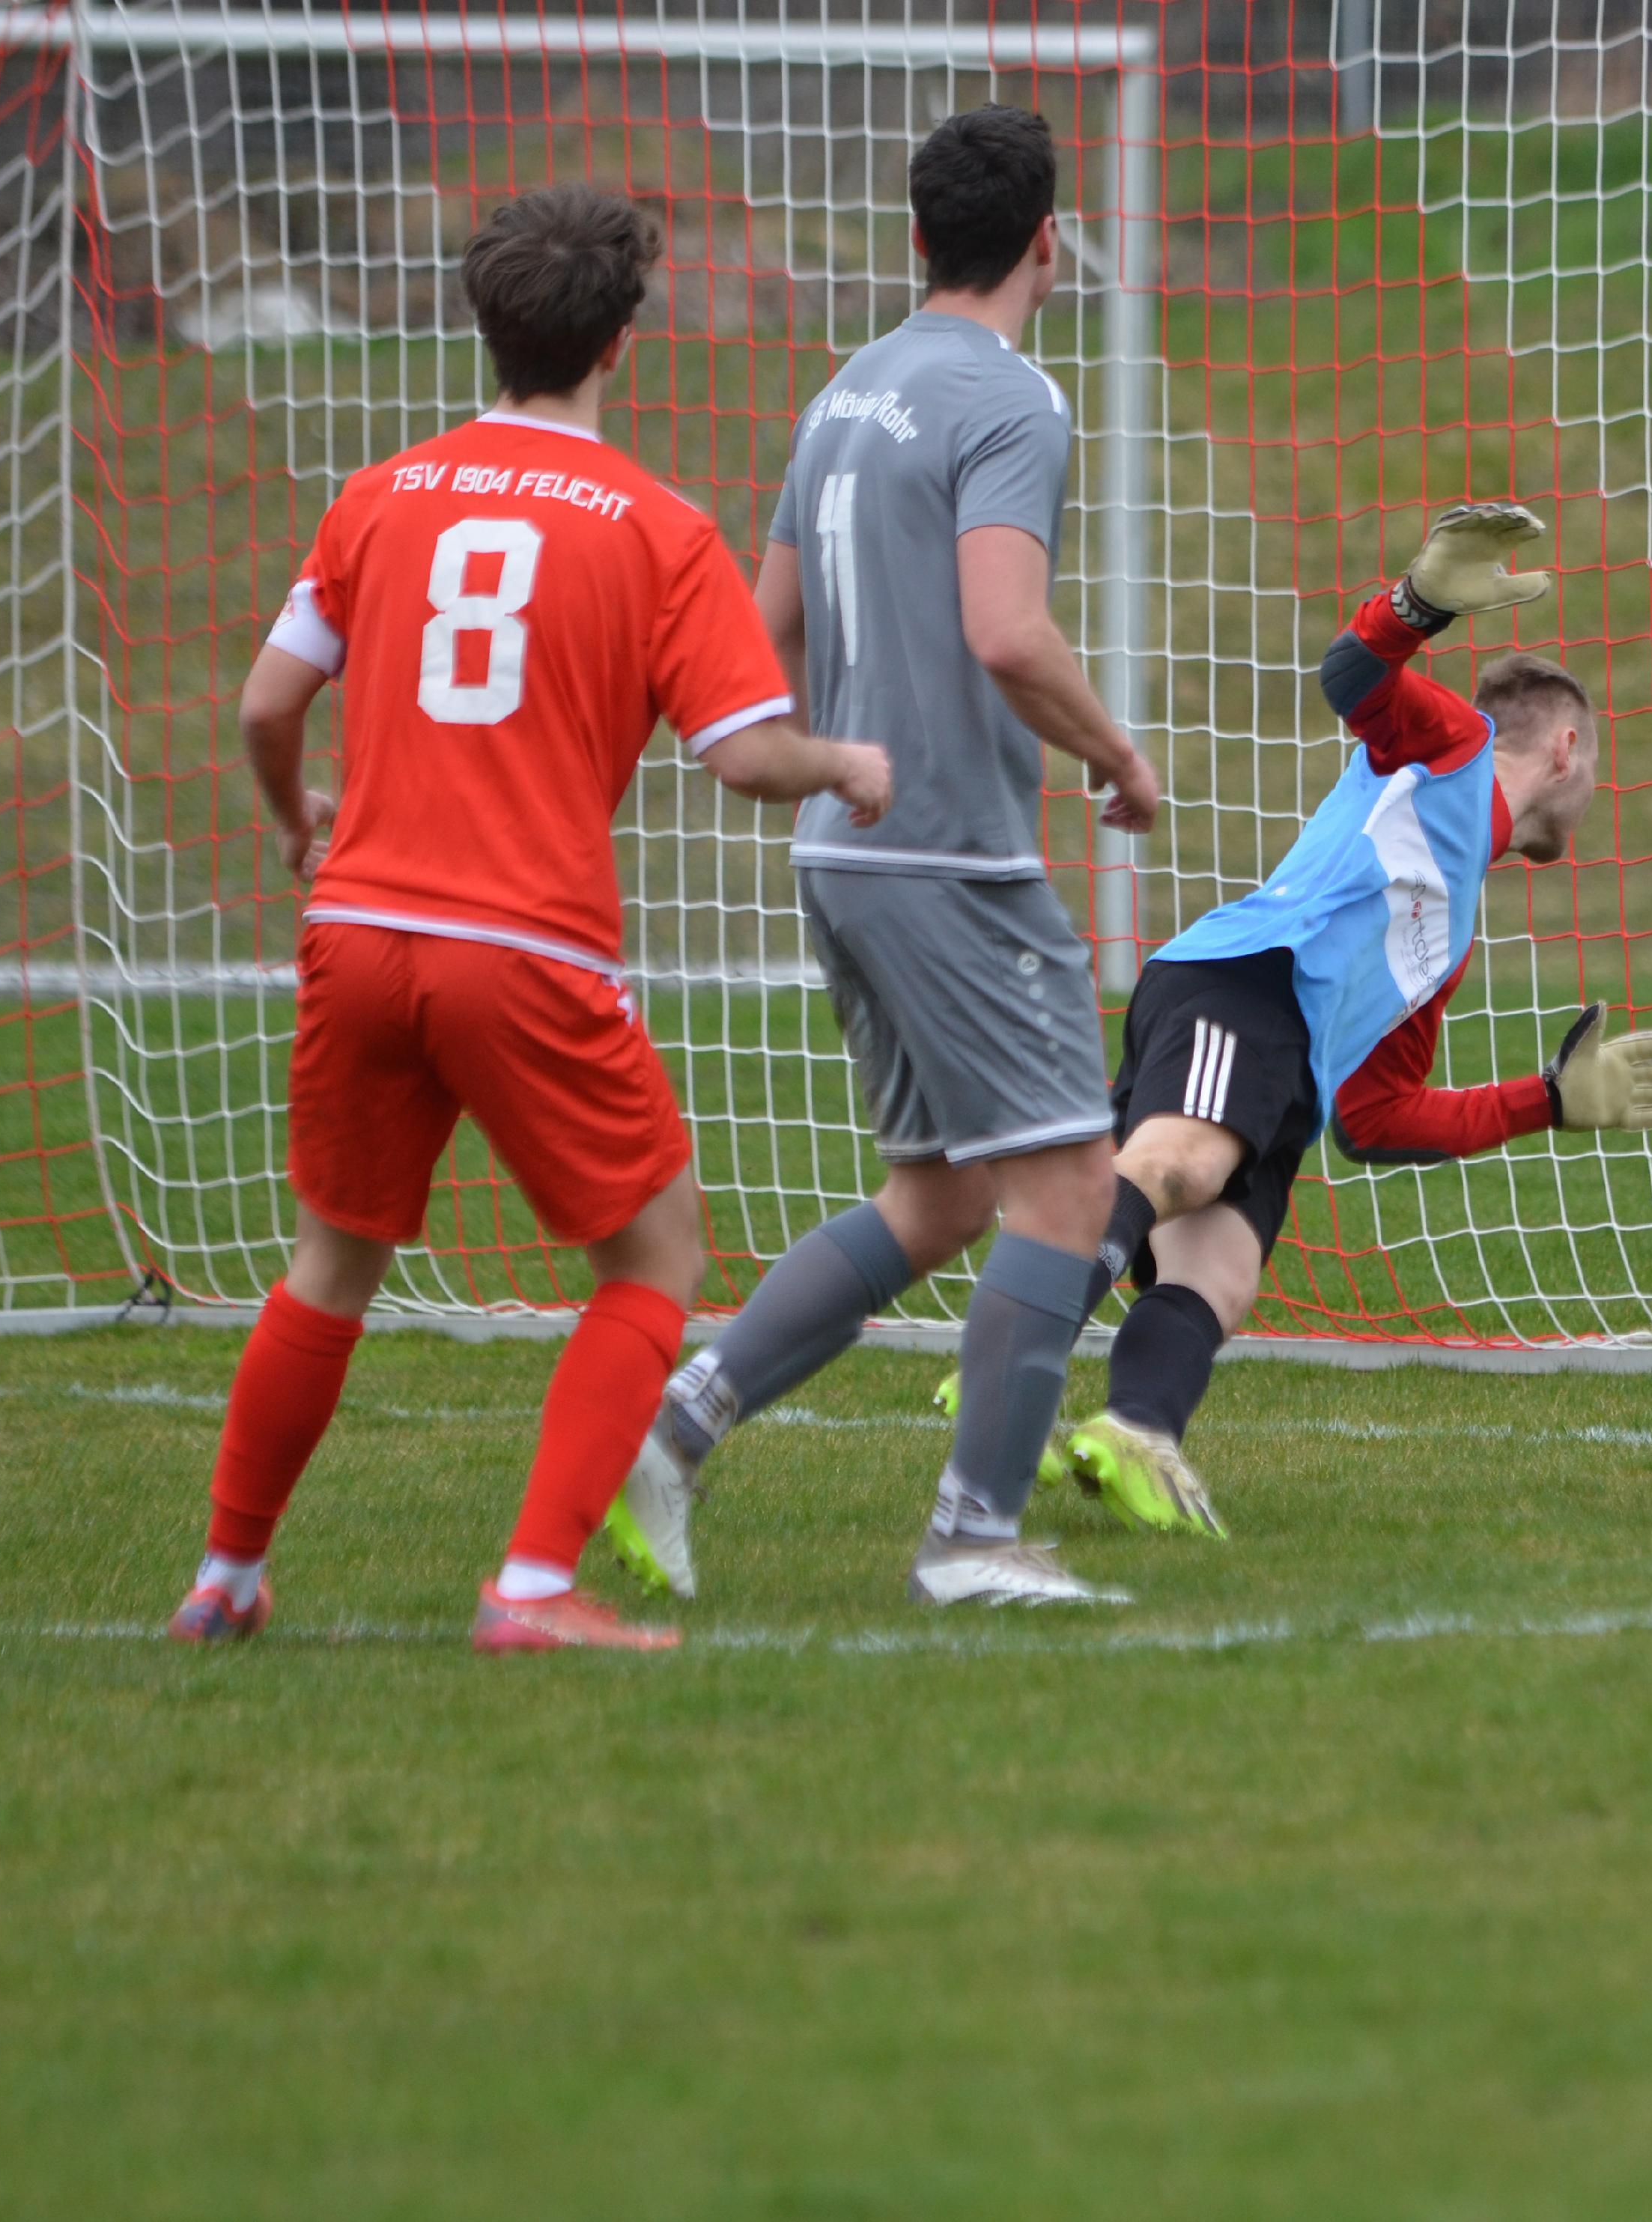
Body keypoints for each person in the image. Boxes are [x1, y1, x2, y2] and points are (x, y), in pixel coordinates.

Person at [163, 186, 893, 1652]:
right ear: (622, 337)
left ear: (485, 324)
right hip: (524, 944)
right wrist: (846, 763)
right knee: (655, 1253)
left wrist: (298, 816)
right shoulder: (659, 527)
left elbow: (262, 702)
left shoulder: (381, 493)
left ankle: (227, 1576)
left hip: (358, 929)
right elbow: (746, 754)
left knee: (332, 1258)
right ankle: (534, 1584)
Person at [606, 105, 1164, 1609]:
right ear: (1047, 239)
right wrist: (1113, 753)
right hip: (951, 863)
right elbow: (1005, 629)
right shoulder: (1012, 399)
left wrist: (821, 750)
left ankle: (672, 1427)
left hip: (843, 853)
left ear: (920, 238)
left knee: (936, 1198)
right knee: (1065, 1186)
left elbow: (754, 632)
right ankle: (972, 1532)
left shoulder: (845, 392)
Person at [1051, 503, 1652, 1535]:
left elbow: (1375, 1120)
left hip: (1286, 1063)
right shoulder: (1458, 745)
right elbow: (1353, 678)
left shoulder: (1449, 929)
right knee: (1180, 1171)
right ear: (1566, 750)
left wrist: (1550, 1103)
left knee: (1219, 1273)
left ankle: (1136, 1432)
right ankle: (1013, 1369)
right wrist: (1419, 604)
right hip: (1244, 981)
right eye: (1598, 769)